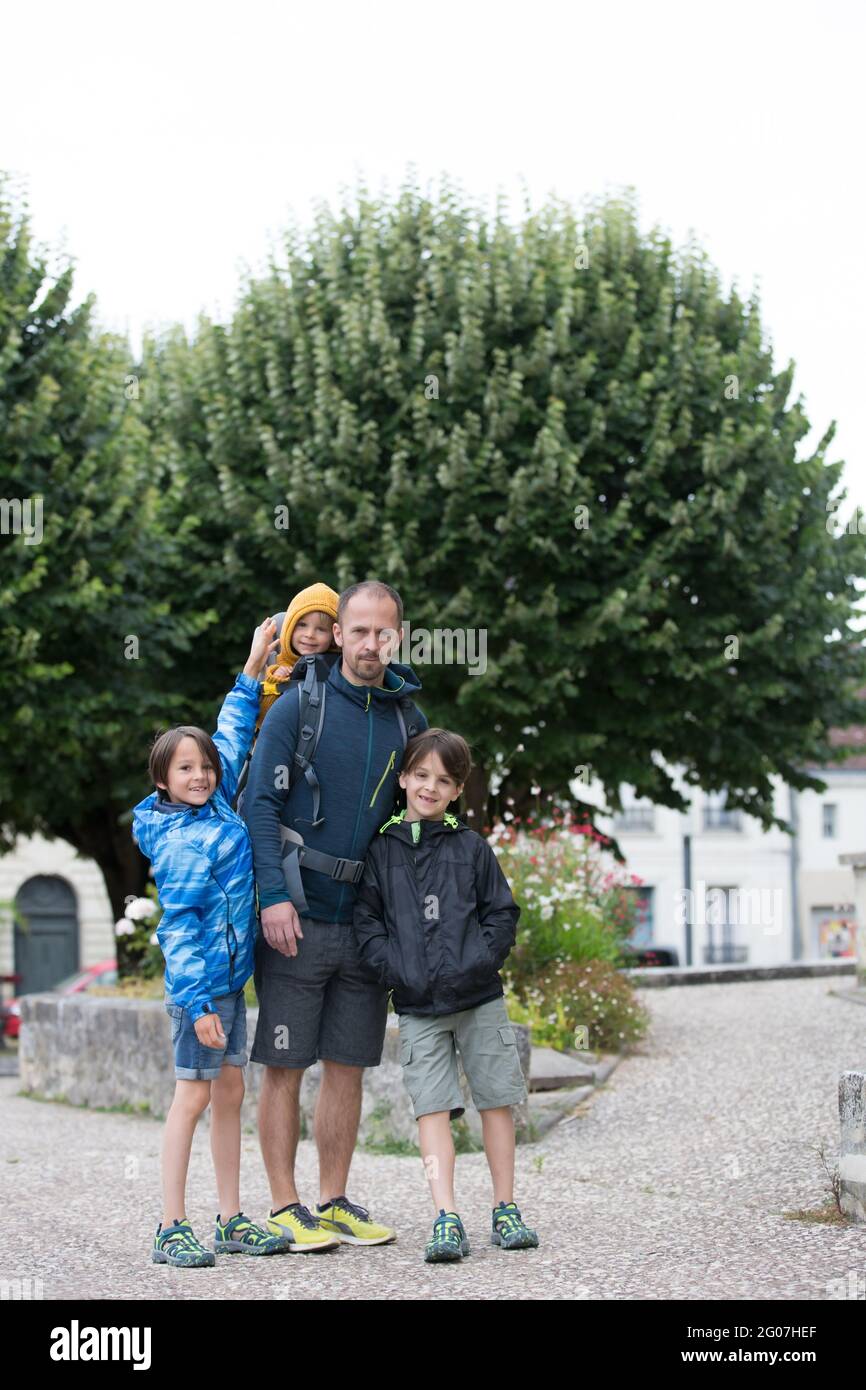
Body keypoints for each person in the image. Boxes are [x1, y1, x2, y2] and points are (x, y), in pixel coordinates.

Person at [241, 580, 428, 1251]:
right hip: (297, 915)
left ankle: (335, 1199)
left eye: (383, 632)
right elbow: (260, 806)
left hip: (365, 926)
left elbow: (422, 822)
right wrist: (272, 896)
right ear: (339, 633)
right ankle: (286, 1207)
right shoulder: (299, 706)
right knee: (285, 1065)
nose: (370, 643)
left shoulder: (411, 721)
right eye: (359, 631)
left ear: (397, 636)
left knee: (349, 1066)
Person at [131, 617, 293, 1267]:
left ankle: (229, 1218)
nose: (199, 775)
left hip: (231, 985)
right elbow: (179, 929)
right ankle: (171, 1225)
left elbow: (231, 725)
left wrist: (254, 661)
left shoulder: (222, 802)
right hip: (200, 994)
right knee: (192, 1097)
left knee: (230, 1094)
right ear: (164, 781)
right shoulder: (176, 841)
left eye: (203, 766)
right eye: (185, 768)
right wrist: (196, 1004)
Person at [353, 727, 540, 1262]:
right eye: (422, 776)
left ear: (457, 789)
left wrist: (481, 958)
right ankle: (445, 1216)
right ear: (405, 778)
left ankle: (506, 1209)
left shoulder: (471, 848)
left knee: (497, 1102)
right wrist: (395, 969)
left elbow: (501, 913)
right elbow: (366, 922)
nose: (430, 787)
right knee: (431, 1109)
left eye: (444, 780)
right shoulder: (381, 851)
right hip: (417, 1006)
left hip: (479, 998)